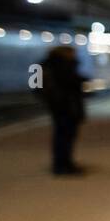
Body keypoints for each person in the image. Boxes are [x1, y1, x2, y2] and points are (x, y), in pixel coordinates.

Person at [37, 45, 87, 175]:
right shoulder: (62, 66)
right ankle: (62, 165)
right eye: (72, 53)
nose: (75, 55)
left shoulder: (43, 65)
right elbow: (68, 83)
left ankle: (64, 163)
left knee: (64, 135)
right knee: (64, 135)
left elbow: (36, 87)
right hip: (66, 105)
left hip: (61, 105)